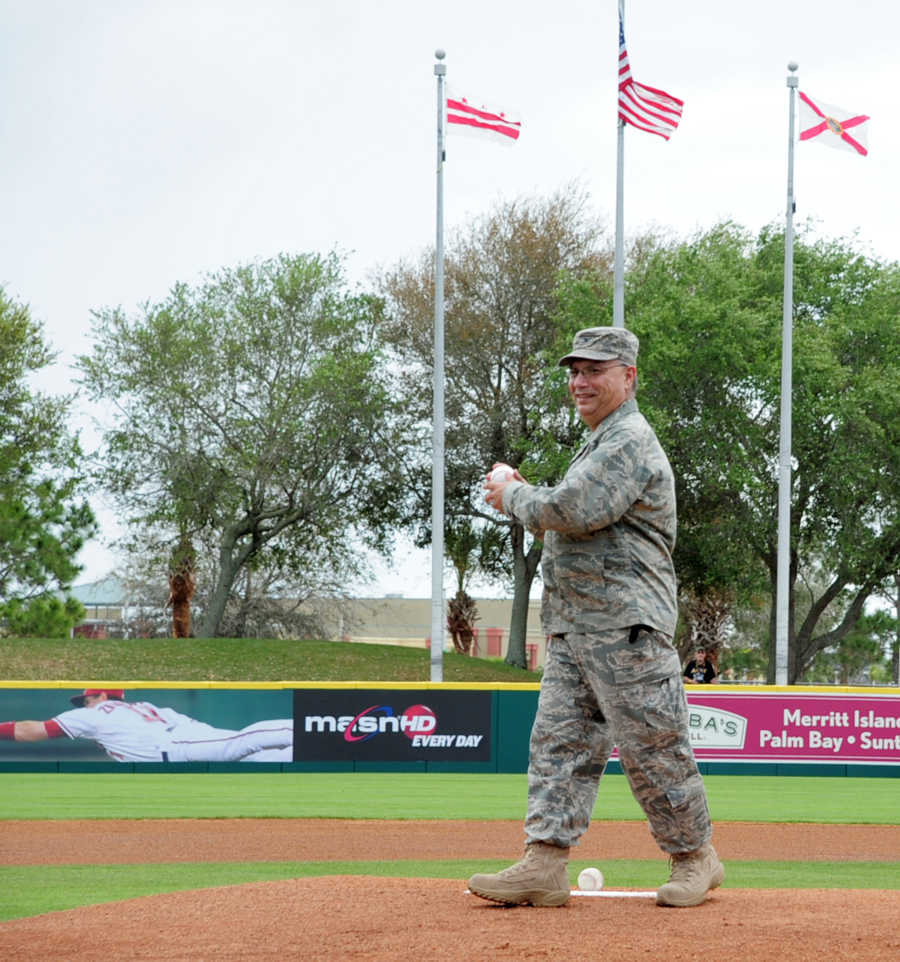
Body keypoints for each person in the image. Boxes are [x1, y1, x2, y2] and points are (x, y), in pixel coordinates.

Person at [468, 326, 724, 909]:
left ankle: (695, 857)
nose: (580, 382)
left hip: (627, 629)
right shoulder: (600, 441)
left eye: (595, 370)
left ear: (628, 377)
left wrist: (513, 493)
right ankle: (545, 863)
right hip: (574, 627)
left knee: (653, 748)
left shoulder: (629, 439)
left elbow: (574, 508)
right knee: (557, 746)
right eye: (575, 371)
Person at [0, 689, 293, 763]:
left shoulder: (95, 713)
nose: (83, 705)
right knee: (256, 753)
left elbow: (30, 731)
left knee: (242, 744)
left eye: (85, 699)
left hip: (174, 746)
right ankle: (321, 745)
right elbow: (189, 722)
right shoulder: (142, 707)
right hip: (188, 735)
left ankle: (305, 729)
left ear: (102, 696)